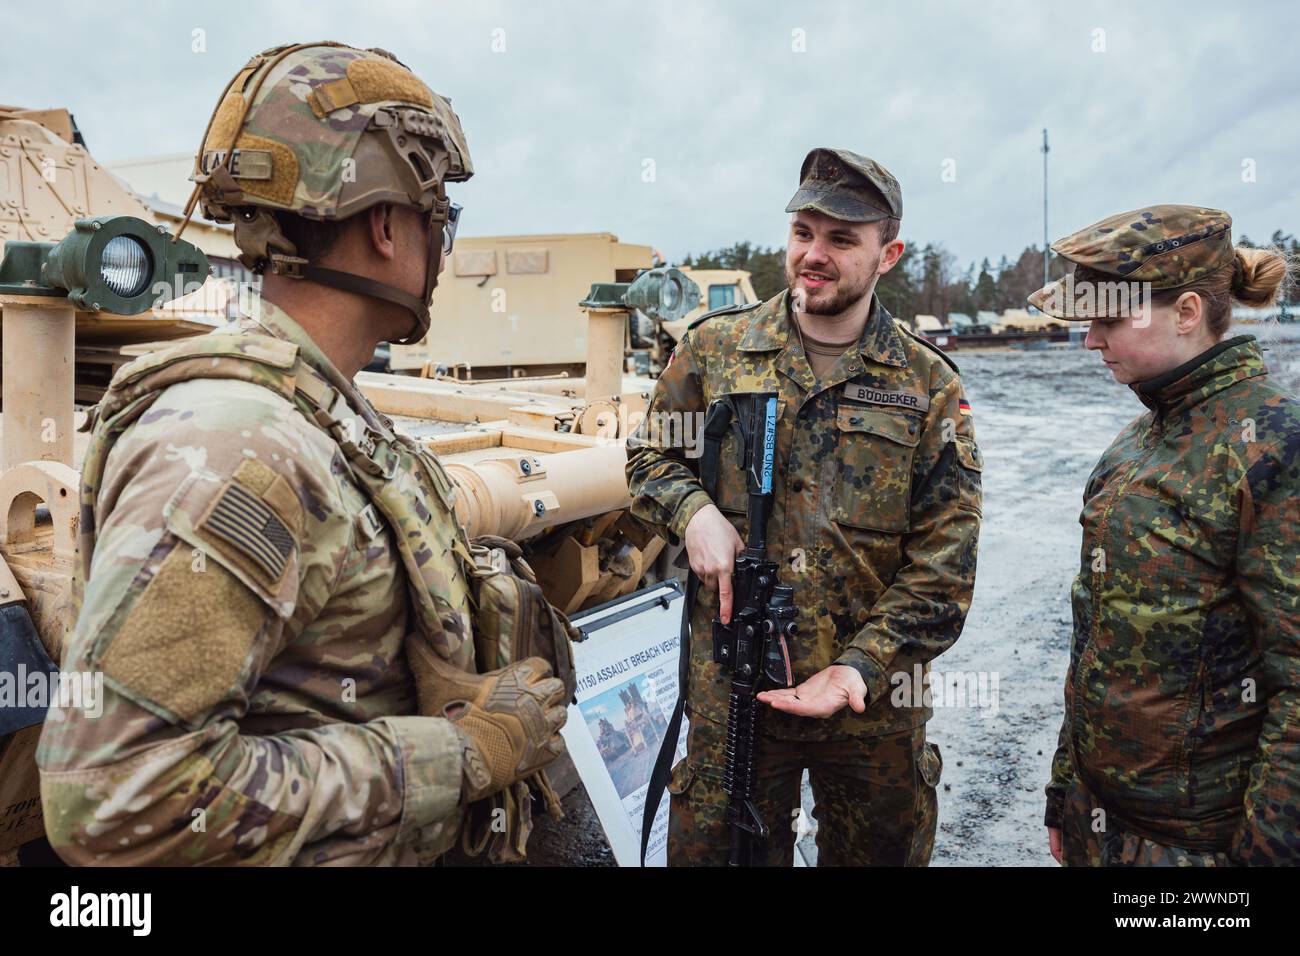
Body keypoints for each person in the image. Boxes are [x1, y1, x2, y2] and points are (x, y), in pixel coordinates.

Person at [36, 41, 567, 866]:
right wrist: (450, 758)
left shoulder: (315, 410)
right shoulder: (242, 445)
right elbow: (111, 796)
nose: (442, 249)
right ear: (388, 227)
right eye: (440, 222)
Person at [626, 148, 983, 866]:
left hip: (871, 707)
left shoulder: (927, 384)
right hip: (736, 691)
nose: (813, 256)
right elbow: (649, 459)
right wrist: (693, 510)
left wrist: (858, 668)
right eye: (802, 233)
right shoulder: (716, 350)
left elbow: (944, 567)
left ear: (889, 254)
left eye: (841, 240)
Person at [1033, 204, 1298, 866]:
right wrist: (1066, 794)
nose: (1091, 339)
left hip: (1199, 849)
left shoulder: (1275, 447)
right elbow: (1093, 635)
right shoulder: (1133, 447)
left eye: (1108, 318)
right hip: (1104, 826)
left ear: (1186, 312)